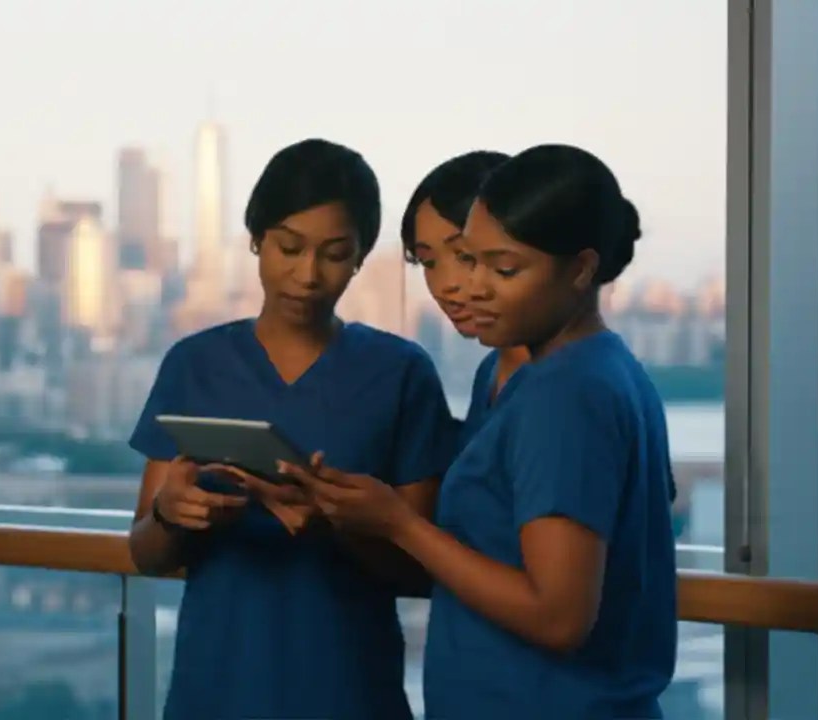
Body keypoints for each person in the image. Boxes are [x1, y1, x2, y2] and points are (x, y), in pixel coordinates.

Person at [285, 144, 678, 719]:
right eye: (430, 263)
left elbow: (559, 615)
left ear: (577, 267)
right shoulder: (534, 373)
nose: (463, 287)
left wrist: (398, 523)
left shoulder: (566, 392)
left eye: (495, 264)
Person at [127, 138, 458, 720]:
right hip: (215, 688)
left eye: (334, 253)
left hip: (350, 691)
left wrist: (333, 527)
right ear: (255, 239)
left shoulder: (400, 374)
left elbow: (423, 569)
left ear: (359, 258)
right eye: (288, 247)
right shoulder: (194, 365)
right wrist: (170, 513)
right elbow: (145, 553)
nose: (307, 274)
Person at [400, 151, 528, 447]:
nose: (446, 286)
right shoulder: (490, 372)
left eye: (464, 256)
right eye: (428, 262)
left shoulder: (567, 386)